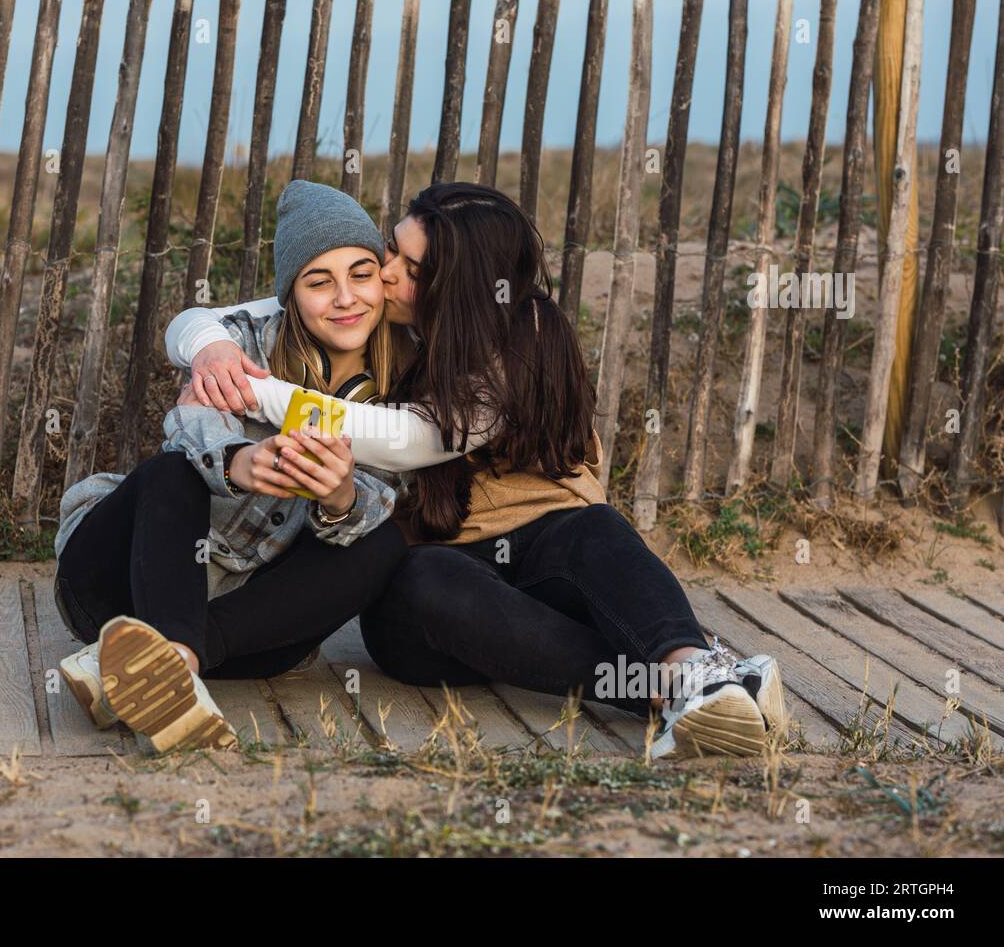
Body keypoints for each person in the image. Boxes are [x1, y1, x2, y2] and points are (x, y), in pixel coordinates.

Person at [164, 182, 786, 760]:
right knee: (422, 576)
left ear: (459, 287)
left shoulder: (521, 340)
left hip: (547, 565)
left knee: (594, 529)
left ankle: (689, 670)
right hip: (433, 608)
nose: (384, 274)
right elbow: (211, 318)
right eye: (392, 251)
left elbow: (407, 439)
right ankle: (688, 685)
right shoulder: (366, 308)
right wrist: (212, 349)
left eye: (411, 270)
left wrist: (254, 392)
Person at [51, 180, 406, 753]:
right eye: (319, 282)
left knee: (385, 543)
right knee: (172, 472)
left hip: (248, 629)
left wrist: (340, 499)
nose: (345, 298)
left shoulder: (403, 387)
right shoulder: (244, 342)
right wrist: (239, 462)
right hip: (116, 585)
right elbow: (188, 422)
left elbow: (387, 493)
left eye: (361, 274)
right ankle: (172, 659)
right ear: (290, 294)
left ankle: (161, 666)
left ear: (381, 280)